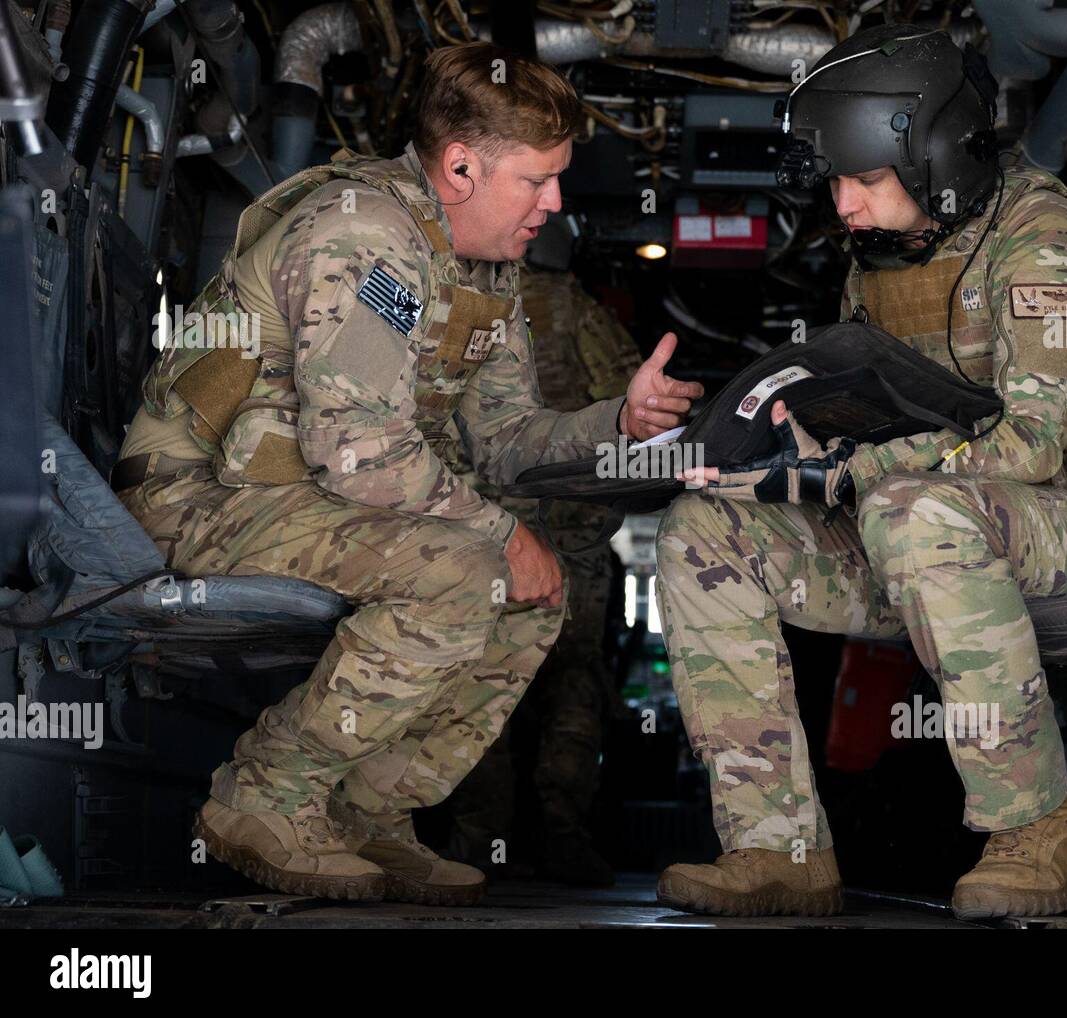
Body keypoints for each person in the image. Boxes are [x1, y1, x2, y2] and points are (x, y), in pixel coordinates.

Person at [112, 42, 702, 905]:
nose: (556, 202)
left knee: (538, 591)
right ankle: (265, 801)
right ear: (460, 167)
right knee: (467, 570)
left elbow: (503, 439)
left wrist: (614, 419)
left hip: (303, 495)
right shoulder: (365, 238)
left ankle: (364, 813)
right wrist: (501, 535)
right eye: (537, 180)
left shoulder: (482, 265)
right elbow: (358, 452)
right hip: (201, 498)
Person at [653, 24, 1067, 919]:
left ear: (938, 158)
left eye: (866, 180)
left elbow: (1032, 446)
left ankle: (1042, 828)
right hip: (919, 526)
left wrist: (861, 474)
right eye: (836, 182)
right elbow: (872, 414)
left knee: (917, 512)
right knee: (699, 532)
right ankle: (778, 846)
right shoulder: (883, 259)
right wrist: (792, 462)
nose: (847, 207)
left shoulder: (1038, 238)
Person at [443, 231, 642, 887]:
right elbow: (632, 405)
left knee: (478, 674)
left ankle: (478, 841)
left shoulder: (457, 303)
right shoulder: (577, 309)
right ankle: (562, 831)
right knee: (572, 676)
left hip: (485, 525)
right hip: (568, 520)